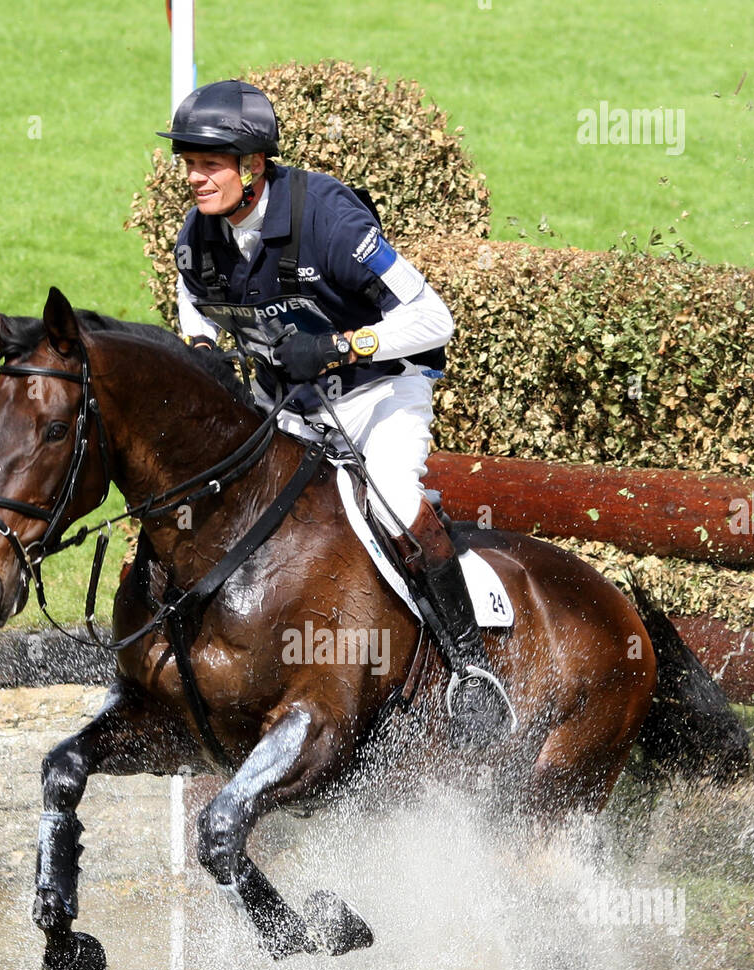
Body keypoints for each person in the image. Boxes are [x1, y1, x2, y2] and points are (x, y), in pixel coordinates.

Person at [157, 79, 513, 742]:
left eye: (208, 165)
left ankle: (470, 670)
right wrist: (202, 345)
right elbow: (188, 287)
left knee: (391, 508)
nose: (194, 179)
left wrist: (339, 344)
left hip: (381, 393)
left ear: (253, 166)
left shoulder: (328, 218)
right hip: (288, 406)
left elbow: (435, 319)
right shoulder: (200, 234)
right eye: (189, 164)